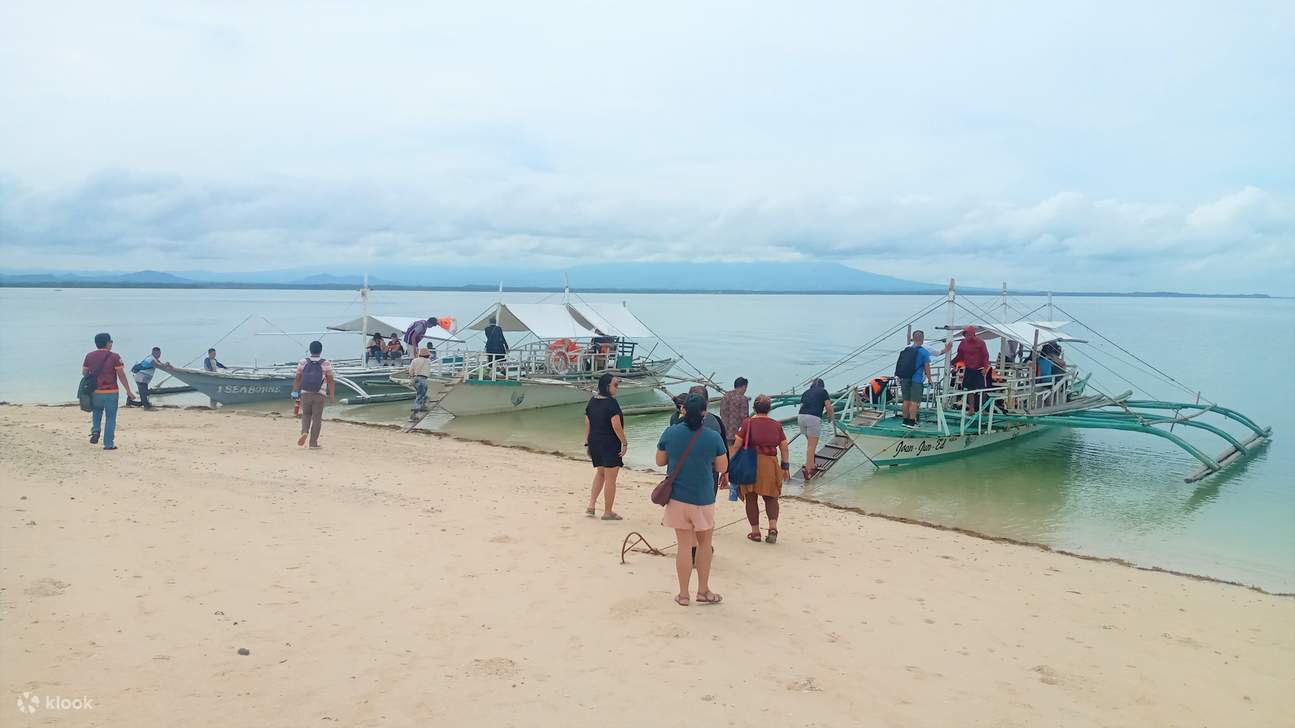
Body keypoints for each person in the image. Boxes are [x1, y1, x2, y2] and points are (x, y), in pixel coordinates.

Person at [657, 394, 728, 606]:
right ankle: (703, 590)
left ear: (683, 411)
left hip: (677, 497)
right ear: (705, 413)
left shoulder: (671, 432)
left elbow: (660, 460)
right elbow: (722, 467)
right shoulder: (713, 437)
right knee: (705, 544)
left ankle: (683, 594)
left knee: (684, 546)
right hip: (703, 497)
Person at [731, 394, 790, 543]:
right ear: (769, 409)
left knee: (750, 497)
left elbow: (737, 445)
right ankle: (772, 527)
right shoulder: (776, 425)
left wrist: (730, 463)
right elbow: (784, 447)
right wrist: (785, 466)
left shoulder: (747, 423)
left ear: (754, 408)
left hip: (750, 462)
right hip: (769, 463)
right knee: (771, 497)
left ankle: (755, 532)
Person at [584, 372, 628, 520]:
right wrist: (624, 442)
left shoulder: (592, 401)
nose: (617, 388)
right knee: (610, 478)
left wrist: (587, 442)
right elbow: (616, 425)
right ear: (607, 386)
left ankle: (591, 505)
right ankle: (607, 511)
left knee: (600, 473)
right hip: (609, 444)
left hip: (595, 442)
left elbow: (588, 422)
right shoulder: (611, 403)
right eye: (615, 385)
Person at [82, 333, 135, 450]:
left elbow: (85, 373)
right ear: (107, 343)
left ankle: (96, 430)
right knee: (110, 418)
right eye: (111, 341)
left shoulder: (89, 356)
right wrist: (128, 391)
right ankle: (108, 444)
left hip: (96, 391)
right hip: (111, 392)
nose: (112, 343)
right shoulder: (115, 357)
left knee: (96, 411)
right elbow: (121, 375)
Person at [292, 340, 335, 449]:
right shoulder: (326, 363)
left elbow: (297, 378)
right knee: (317, 417)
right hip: (319, 394)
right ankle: (313, 443)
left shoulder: (303, 362)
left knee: (306, 414)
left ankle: (304, 432)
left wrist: (295, 391)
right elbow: (330, 380)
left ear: (310, 350)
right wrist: (331, 395)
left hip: (305, 392)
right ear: (320, 350)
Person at [895, 330, 933, 429]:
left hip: (905, 377)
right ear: (922, 339)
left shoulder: (906, 350)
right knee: (914, 401)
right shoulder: (924, 352)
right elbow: (927, 368)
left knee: (906, 400)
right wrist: (929, 379)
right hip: (916, 379)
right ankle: (912, 422)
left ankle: (905, 420)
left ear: (913, 338)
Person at [797, 378, 834, 479]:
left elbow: (801, 406)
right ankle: (808, 470)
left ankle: (811, 464)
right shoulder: (823, 391)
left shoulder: (805, 392)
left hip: (801, 417)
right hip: (813, 418)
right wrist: (830, 418)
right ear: (822, 385)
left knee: (810, 444)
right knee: (811, 446)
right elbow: (828, 407)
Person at [956, 325, 991, 414]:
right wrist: (953, 363)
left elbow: (985, 356)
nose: (966, 336)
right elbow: (960, 355)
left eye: (968, 334)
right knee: (969, 389)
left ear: (973, 334)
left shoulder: (980, 343)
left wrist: (985, 368)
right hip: (969, 368)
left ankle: (982, 408)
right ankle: (971, 409)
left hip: (979, 368)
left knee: (982, 389)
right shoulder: (963, 343)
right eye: (965, 334)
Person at [719, 377, 750, 446]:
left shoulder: (725, 396)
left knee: (727, 453)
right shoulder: (743, 399)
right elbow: (744, 417)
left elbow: (721, 412)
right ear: (744, 387)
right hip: (737, 434)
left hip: (724, 431)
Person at [409, 347, 433, 413]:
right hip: (423, 379)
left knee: (420, 393)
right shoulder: (428, 361)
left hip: (415, 378)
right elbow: (428, 371)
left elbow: (410, 371)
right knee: (422, 393)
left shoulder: (414, 360)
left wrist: (412, 375)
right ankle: (417, 406)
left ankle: (422, 406)